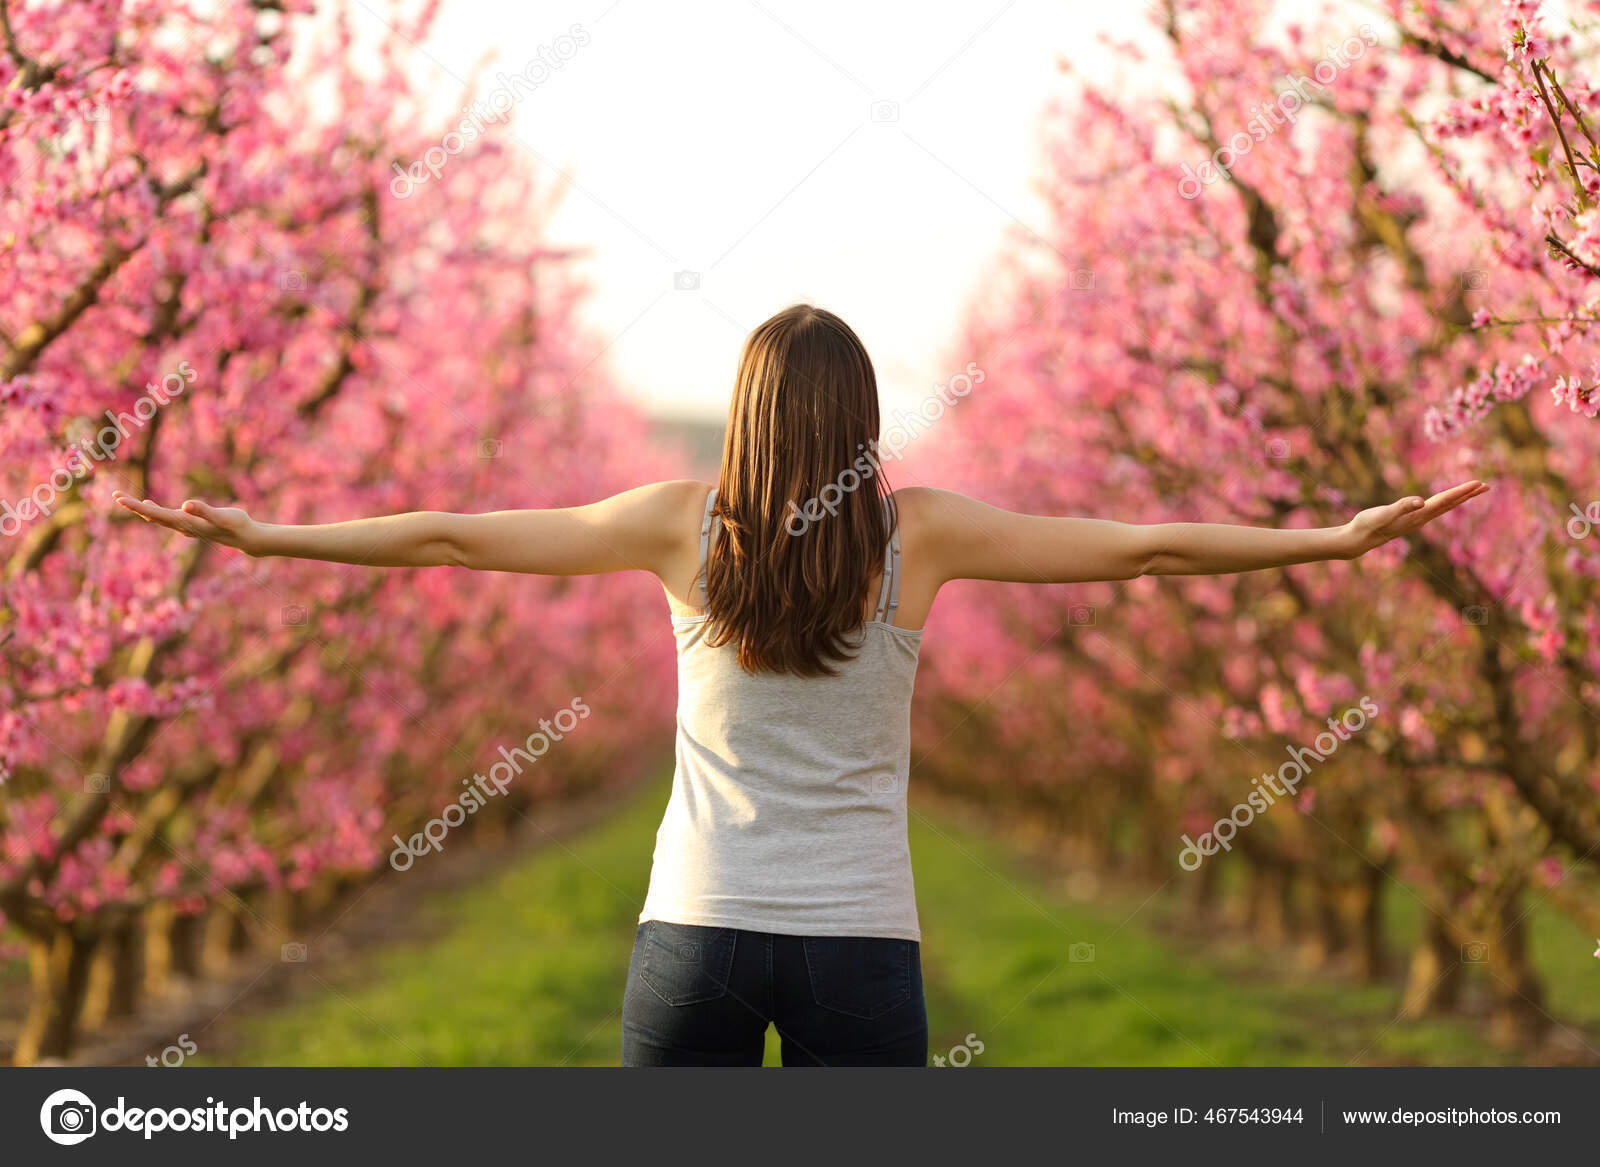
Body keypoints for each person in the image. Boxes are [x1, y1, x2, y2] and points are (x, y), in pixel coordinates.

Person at [114, 303, 1488, 1067]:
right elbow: (1147, 549)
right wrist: (1333, 534)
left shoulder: (675, 525)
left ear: (748, 413)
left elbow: (450, 534)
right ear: (861, 423)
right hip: (862, 950)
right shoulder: (923, 535)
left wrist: (267, 535)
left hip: (693, 942)